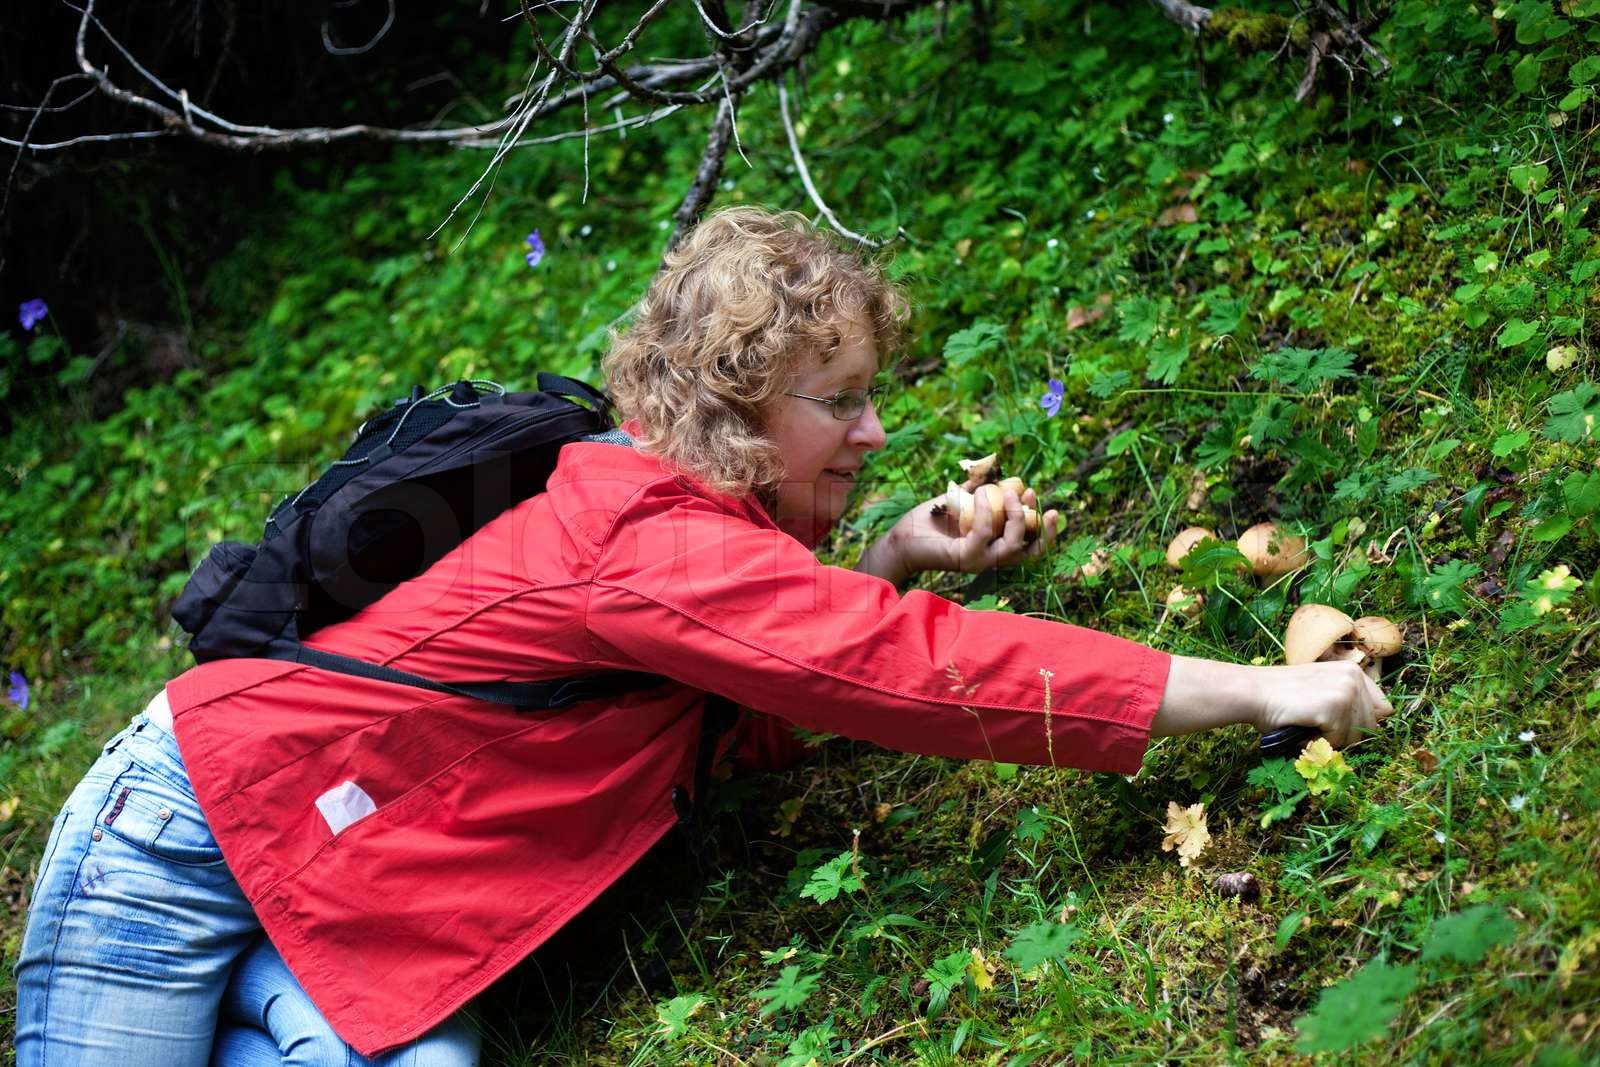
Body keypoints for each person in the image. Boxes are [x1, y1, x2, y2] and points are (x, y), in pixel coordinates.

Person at [14, 207, 1391, 1064]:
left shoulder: (674, 531)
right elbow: (907, 669)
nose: (873, 429)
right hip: (188, 839)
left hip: (339, 872)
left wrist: (897, 552)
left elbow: (739, 705)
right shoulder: (647, 542)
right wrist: (1273, 690)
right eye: (837, 401)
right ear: (737, 410)